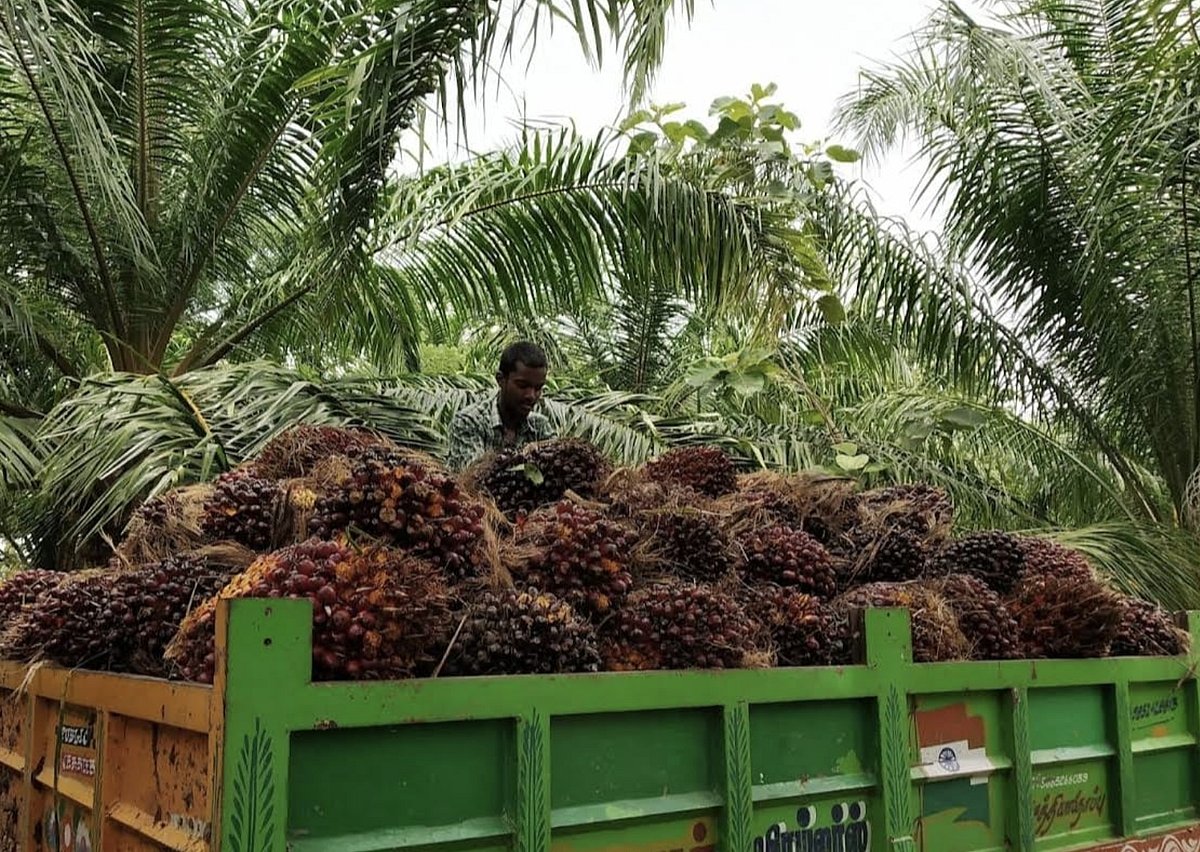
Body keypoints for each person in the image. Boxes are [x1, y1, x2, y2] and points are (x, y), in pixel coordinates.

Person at [446, 341, 556, 470]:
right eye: (522, 385)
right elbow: (476, 477)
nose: (531, 395)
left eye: (538, 388)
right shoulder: (469, 422)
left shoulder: (540, 426)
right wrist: (526, 458)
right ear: (501, 379)